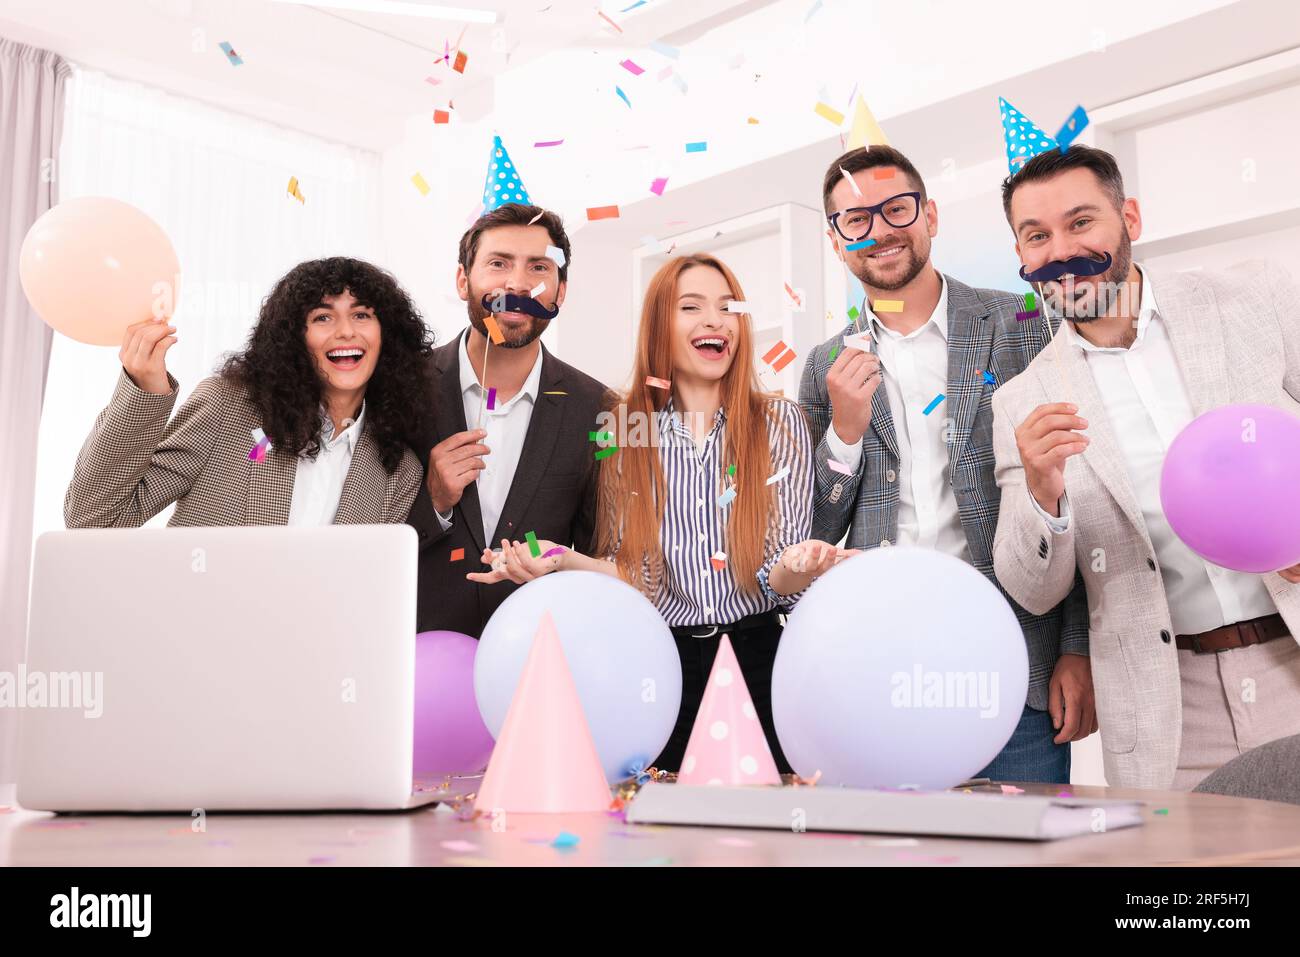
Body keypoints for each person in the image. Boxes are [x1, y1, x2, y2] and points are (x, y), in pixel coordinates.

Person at [990, 143, 1300, 789]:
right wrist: (1044, 494)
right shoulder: (1023, 401)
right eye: (1036, 235)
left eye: (1081, 222)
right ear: (1021, 255)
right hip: (1169, 710)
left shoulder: (1257, 296)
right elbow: (1031, 588)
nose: (1060, 251)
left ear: (1129, 216)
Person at [470, 253, 850, 774]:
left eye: (727, 307)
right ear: (659, 327)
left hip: (760, 660)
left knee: (768, 841)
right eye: (691, 307)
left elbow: (775, 576)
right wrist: (560, 560)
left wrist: (801, 562)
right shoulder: (623, 430)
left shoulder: (780, 423)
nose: (714, 320)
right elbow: (640, 581)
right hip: (658, 665)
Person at [799, 144, 1093, 784]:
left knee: (1028, 845)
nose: (879, 231)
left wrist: (1077, 648)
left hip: (1014, 651)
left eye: (896, 208)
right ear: (836, 240)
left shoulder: (1022, 324)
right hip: (884, 655)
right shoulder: (825, 364)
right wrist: (845, 434)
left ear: (929, 214)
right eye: (856, 220)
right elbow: (814, 530)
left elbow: (1078, 490)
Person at [65, 257, 430, 528]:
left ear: (388, 336)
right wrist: (144, 389)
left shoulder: (397, 470)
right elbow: (94, 518)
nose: (346, 331)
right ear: (294, 338)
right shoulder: (226, 407)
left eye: (362, 315)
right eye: (323, 317)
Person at [405, 202, 610, 637]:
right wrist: (434, 500)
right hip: (417, 667)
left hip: (537, 662)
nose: (518, 284)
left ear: (560, 290)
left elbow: (600, 560)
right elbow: (363, 536)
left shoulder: (598, 409)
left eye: (538, 267)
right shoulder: (400, 388)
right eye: (498, 264)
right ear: (463, 280)